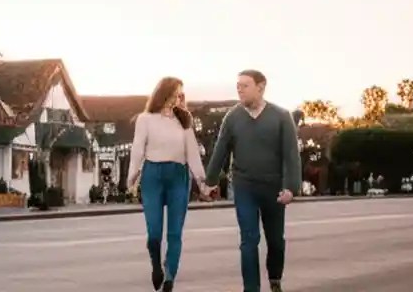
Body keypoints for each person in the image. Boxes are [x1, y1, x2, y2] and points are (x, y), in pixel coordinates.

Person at [205, 69, 302, 292]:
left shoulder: (281, 116)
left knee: (275, 241)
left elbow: (291, 155)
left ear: (261, 87)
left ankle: (275, 279)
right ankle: (251, 288)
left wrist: (290, 188)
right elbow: (220, 151)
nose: (239, 89)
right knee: (249, 240)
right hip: (244, 186)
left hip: (274, 188)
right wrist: (210, 181)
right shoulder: (233, 117)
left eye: (245, 85)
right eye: (238, 85)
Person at [126, 76, 215, 291]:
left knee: (175, 233)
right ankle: (156, 265)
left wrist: (203, 182)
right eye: (175, 94)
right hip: (152, 176)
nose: (178, 99)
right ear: (163, 94)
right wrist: (132, 177)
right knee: (154, 233)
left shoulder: (184, 121)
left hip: (178, 176)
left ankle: (169, 276)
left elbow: (193, 154)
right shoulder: (145, 119)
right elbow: (137, 149)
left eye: (181, 95)